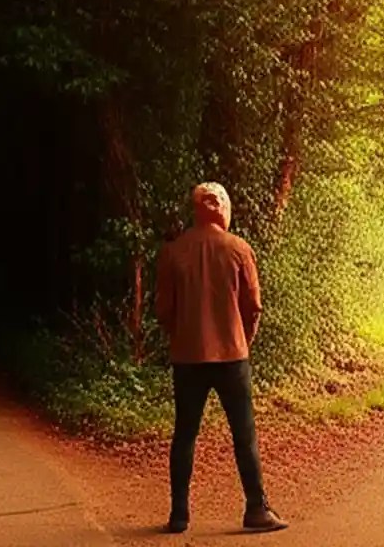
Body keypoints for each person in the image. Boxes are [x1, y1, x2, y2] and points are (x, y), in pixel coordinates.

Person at [153, 182, 289, 534]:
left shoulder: (173, 251)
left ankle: (179, 515)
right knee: (244, 435)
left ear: (196, 209)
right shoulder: (239, 249)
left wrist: (181, 335)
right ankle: (256, 509)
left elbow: (164, 309)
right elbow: (253, 306)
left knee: (185, 434)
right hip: (232, 355)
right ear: (222, 209)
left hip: (187, 357)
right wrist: (243, 339)